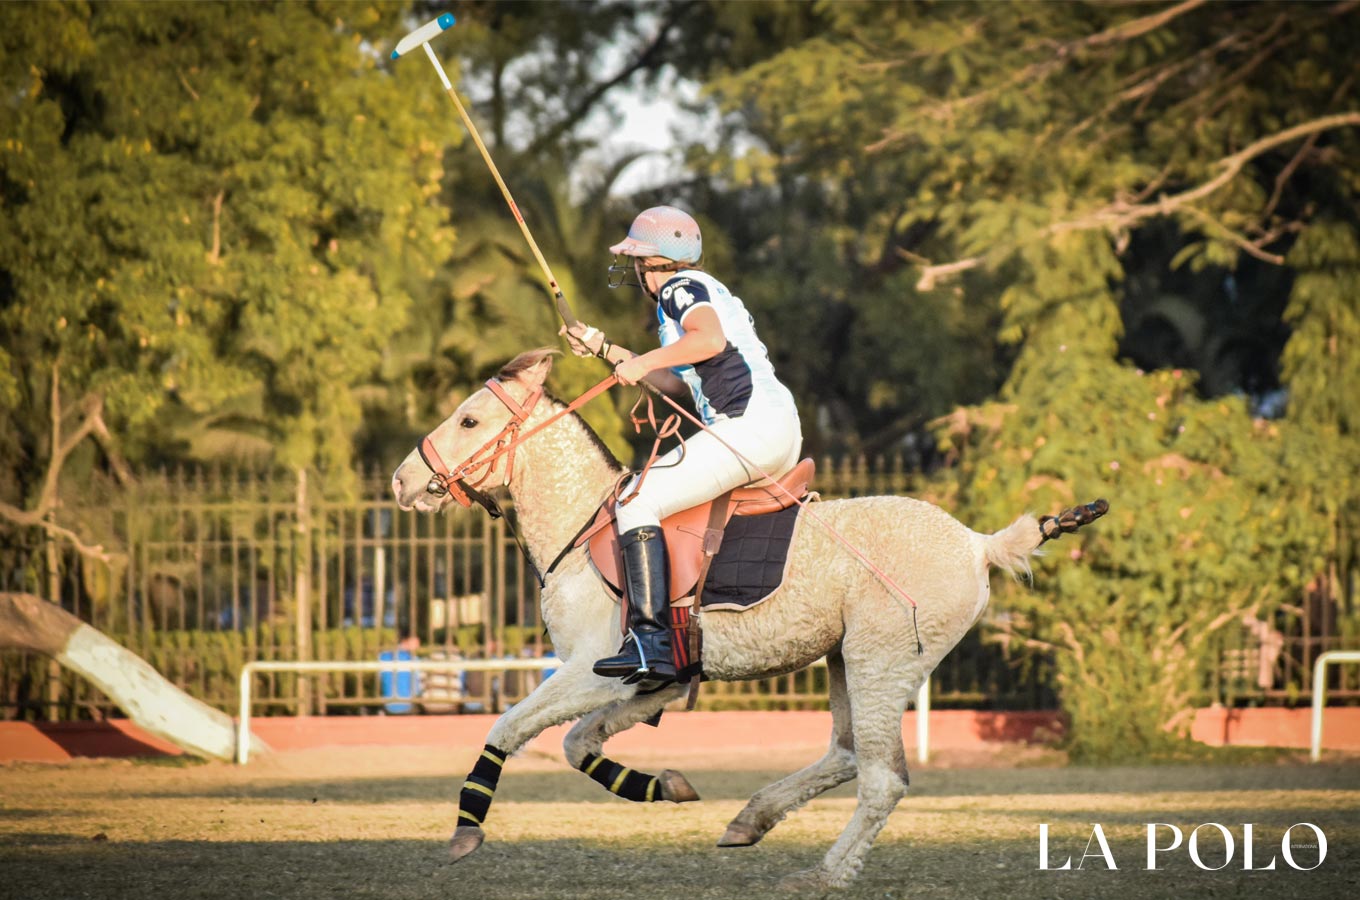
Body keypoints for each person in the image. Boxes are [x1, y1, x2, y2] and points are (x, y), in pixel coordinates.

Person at [561, 206, 802, 686]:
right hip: (773, 428)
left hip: (748, 429)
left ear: (653, 262)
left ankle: (650, 643)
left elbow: (708, 341)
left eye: (636, 259)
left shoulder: (678, 288)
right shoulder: (700, 291)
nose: (633, 269)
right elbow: (676, 383)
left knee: (635, 499)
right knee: (657, 504)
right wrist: (605, 349)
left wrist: (645, 358)